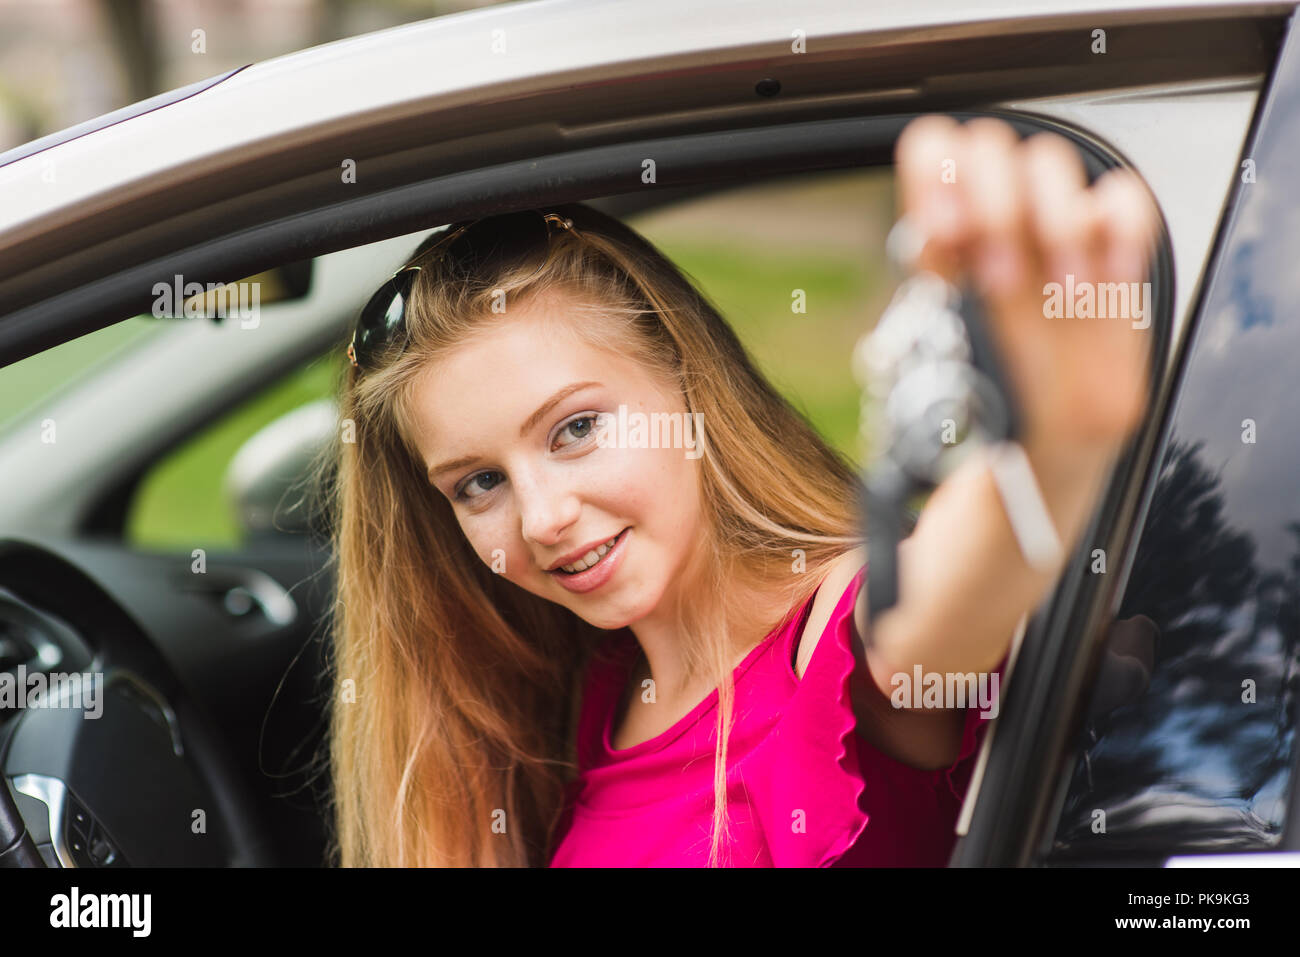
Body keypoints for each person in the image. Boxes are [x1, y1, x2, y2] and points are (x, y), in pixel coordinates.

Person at [322, 115, 1160, 867]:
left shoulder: (830, 641)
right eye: (478, 483)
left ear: (690, 389)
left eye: (575, 429)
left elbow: (926, 626)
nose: (542, 517)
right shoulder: (592, 697)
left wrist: (1051, 451)